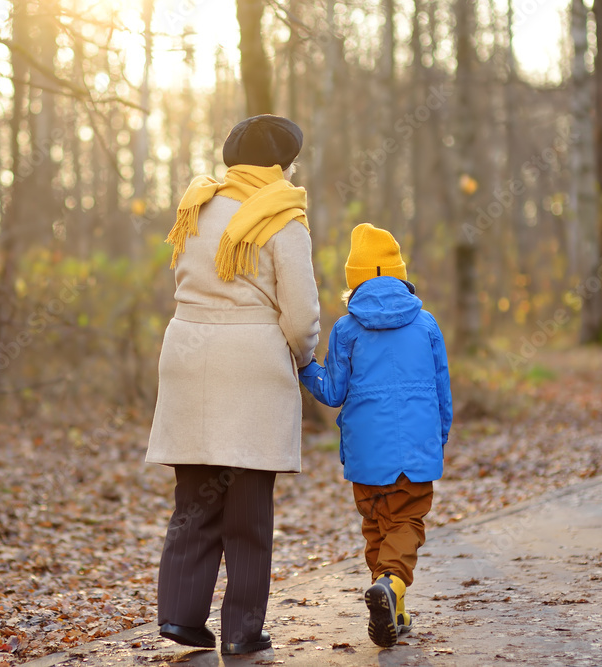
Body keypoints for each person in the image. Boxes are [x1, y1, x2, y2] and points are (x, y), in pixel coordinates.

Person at [145, 115, 321, 655]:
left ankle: (180, 616)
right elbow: (300, 316)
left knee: (194, 501)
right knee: (247, 511)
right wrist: (303, 357)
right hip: (250, 371)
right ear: (280, 165)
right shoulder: (281, 219)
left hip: (189, 361)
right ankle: (243, 634)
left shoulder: (195, 205)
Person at [298, 223, 452, 648]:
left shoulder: (347, 329)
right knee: (407, 523)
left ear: (355, 280)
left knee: (376, 528)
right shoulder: (426, 324)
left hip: (366, 458)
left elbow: (332, 392)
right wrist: (438, 438)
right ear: (399, 274)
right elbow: (442, 390)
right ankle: (390, 586)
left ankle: (392, 608)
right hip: (415, 454)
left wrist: (304, 363)